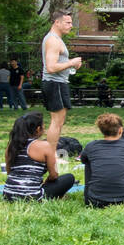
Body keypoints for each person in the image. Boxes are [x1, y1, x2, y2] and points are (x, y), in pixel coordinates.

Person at [2, 112, 75, 202]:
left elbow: (9, 171)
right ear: (38, 129)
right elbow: (54, 175)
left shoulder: (11, 146)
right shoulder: (44, 146)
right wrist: (46, 182)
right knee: (69, 178)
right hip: (33, 197)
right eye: (43, 126)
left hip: (8, 195)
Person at [80, 114, 124, 208]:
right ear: (121, 130)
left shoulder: (91, 146)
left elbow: (83, 160)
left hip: (95, 201)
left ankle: (88, 196)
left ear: (102, 131)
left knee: (88, 160)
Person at [41, 10, 82, 148]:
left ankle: (53, 152)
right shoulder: (52, 40)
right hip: (54, 84)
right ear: (57, 22)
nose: (71, 25)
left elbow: (58, 63)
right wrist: (71, 62)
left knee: (60, 121)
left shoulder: (57, 40)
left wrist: (73, 63)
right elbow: (51, 67)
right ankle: (51, 154)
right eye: (68, 22)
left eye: (71, 22)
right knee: (56, 121)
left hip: (59, 83)